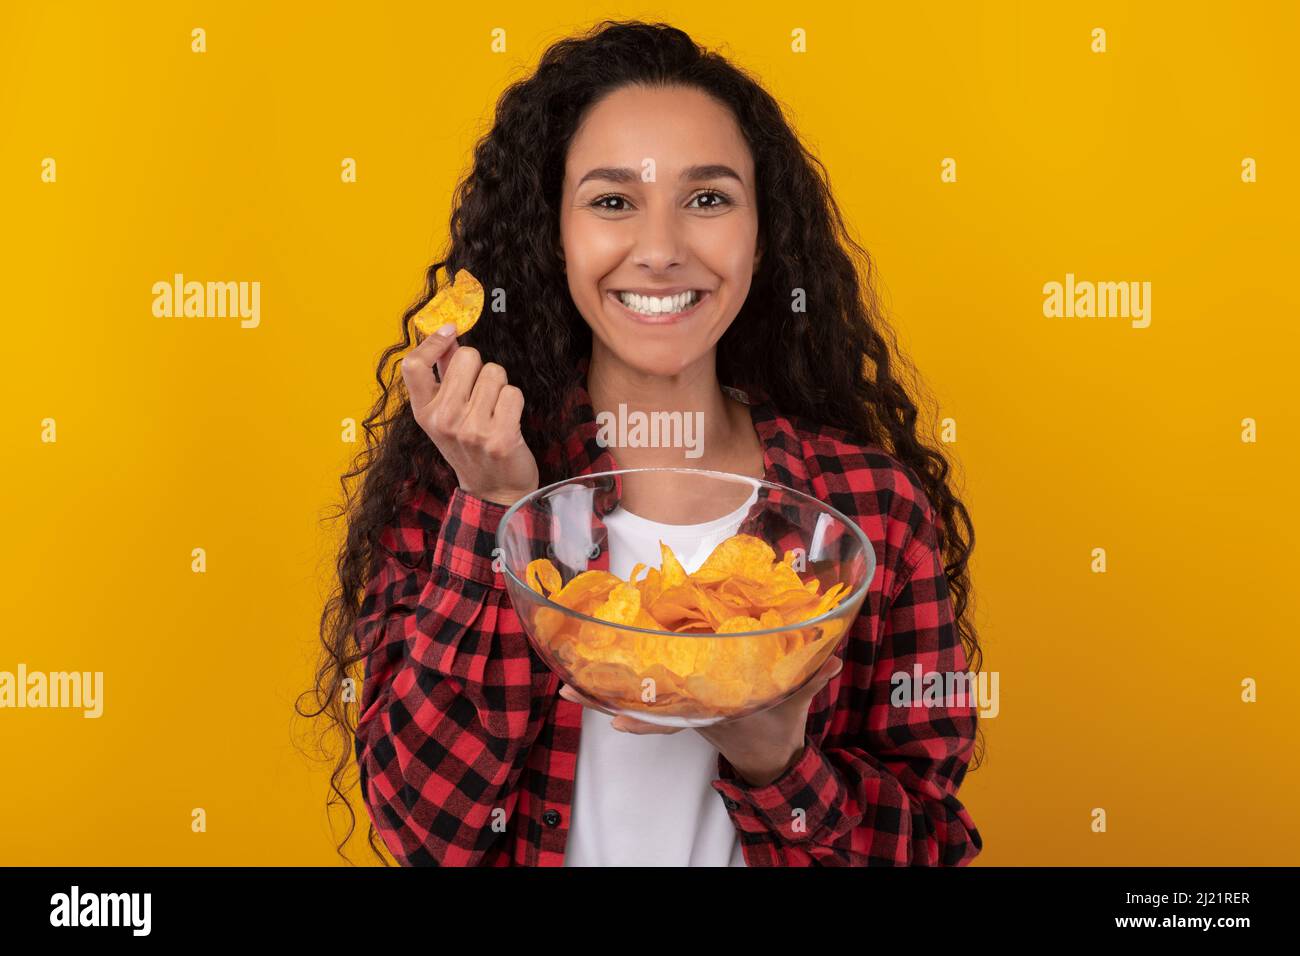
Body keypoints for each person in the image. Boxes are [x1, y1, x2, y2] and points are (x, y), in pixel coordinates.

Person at [301, 19, 984, 866]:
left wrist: (776, 759)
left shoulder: (869, 513)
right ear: (556, 234)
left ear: (763, 234)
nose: (659, 252)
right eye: (613, 201)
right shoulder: (460, 475)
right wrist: (498, 508)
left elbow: (925, 849)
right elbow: (422, 832)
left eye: (707, 199)